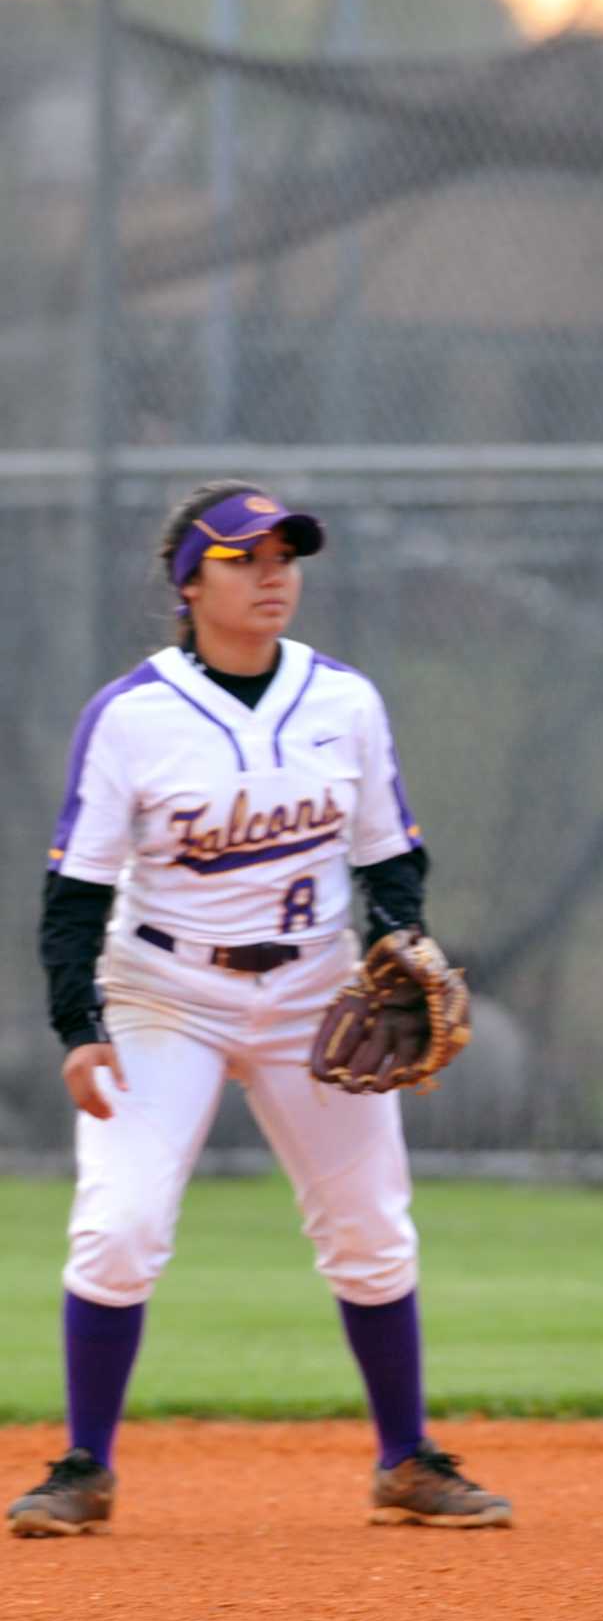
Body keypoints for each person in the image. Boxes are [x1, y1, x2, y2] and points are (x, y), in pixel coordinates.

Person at [10, 481, 511, 1538]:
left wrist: (397, 935)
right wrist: (78, 1028)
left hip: (311, 992)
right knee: (120, 1226)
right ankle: (84, 1466)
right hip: (163, 991)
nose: (274, 574)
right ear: (189, 583)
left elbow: (388, 854)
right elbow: (74, 896)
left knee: (371, 1228)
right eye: (245, 558)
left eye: (286, 555)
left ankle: (405, 1459)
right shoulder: (131, 717)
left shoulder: (344, 701)